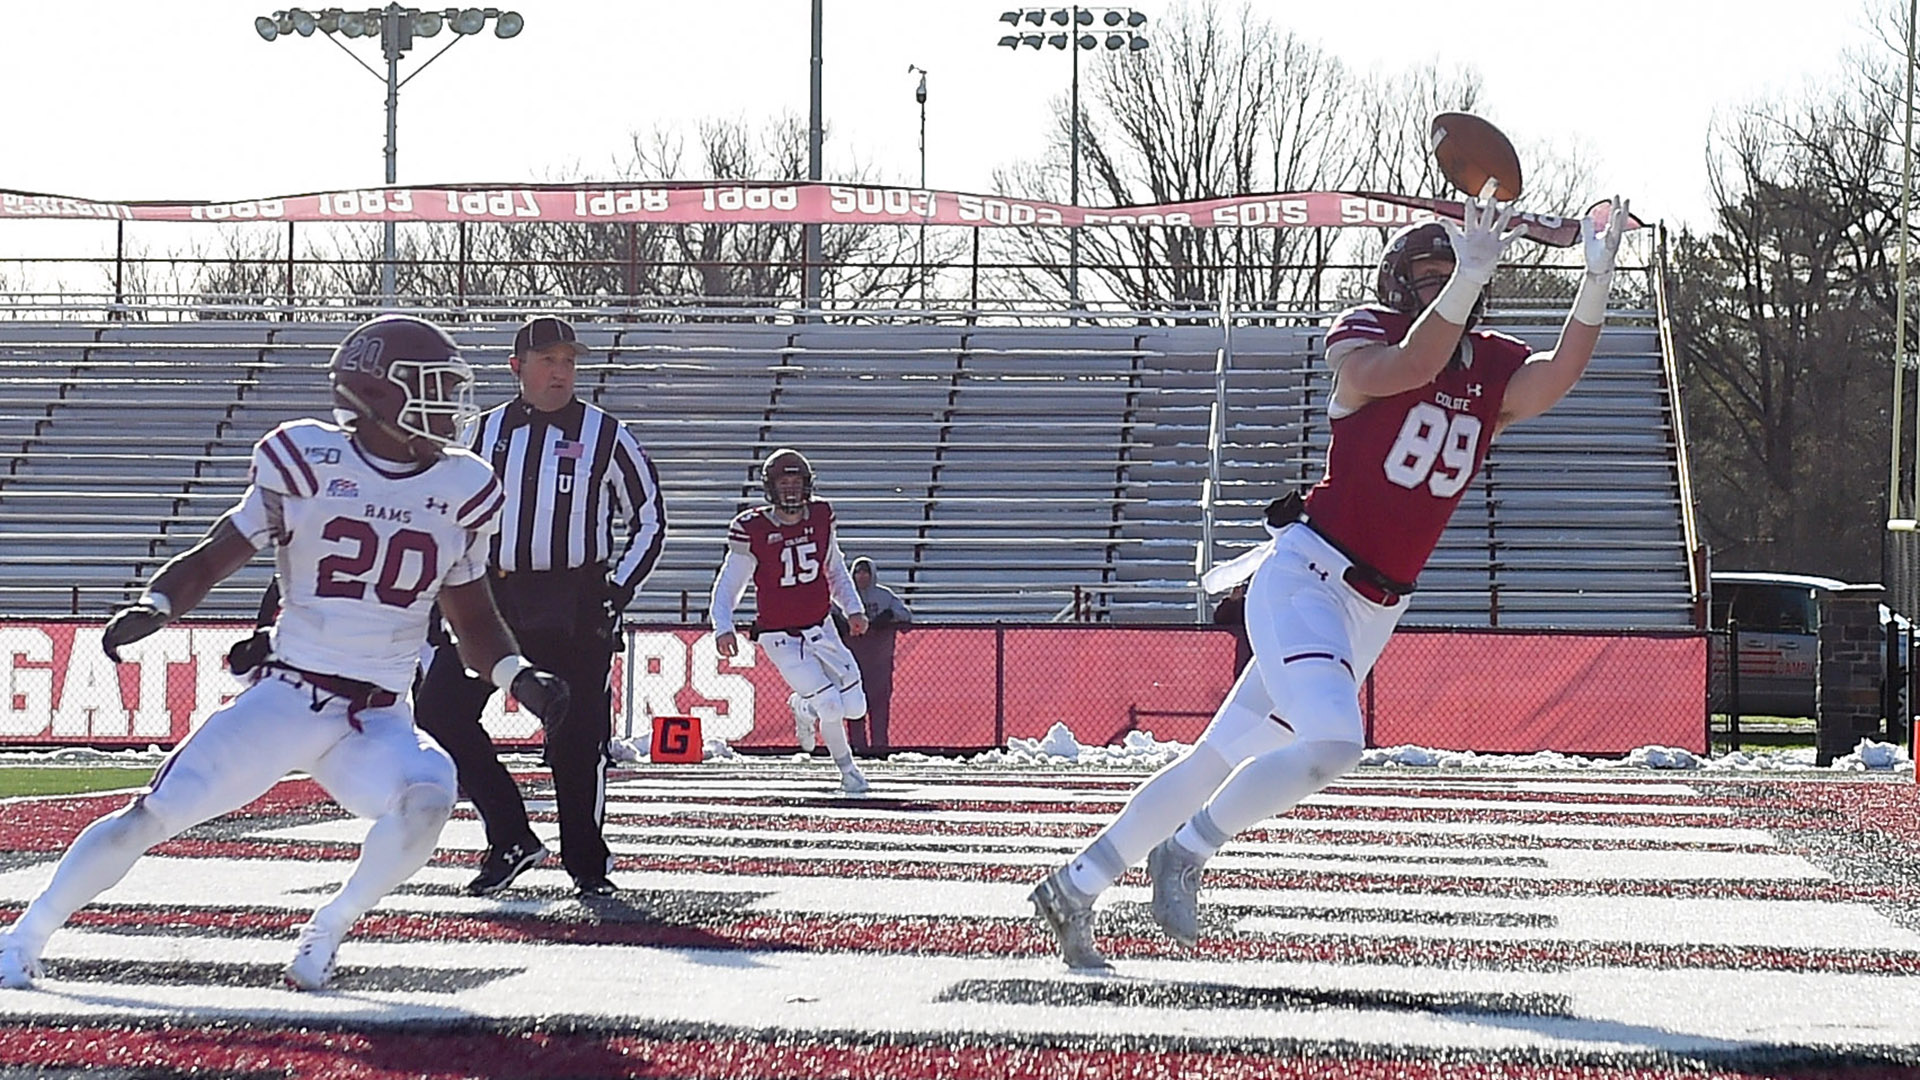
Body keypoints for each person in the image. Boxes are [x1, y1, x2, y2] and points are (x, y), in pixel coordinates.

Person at [1029, 184, 1633, 969]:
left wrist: (1595, 283)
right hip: (1309, 581)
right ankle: (1188, 849)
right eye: (1427, 276)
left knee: (1214, 761)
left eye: (1451, 273)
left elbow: (1555, 378)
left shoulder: (1490, 366)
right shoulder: (1364, 339)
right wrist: (1465, 279)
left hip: (1372, 608)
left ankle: (1073, 886)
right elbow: (1412, 361)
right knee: (1337, 741)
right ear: (1396, 287)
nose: (1441, 284)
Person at [0, 314, 570, 991]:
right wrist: (158, 604)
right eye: (434, 387)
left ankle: (326, 930)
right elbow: (219, 552)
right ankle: (24, 937)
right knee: (153, 815)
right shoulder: (307, 459)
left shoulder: (465, 487)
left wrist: (515, 674)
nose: (451, 405)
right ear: (379, 394)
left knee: (428, 800)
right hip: (288, 697)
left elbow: (472, 614)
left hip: (380, 716)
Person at [413, 315, 666, 899]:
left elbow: (649, 515)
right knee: (440, 713)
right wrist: (440, 591)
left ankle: (587, 865)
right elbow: (440, 510)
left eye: (569, 361)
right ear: (517, 367)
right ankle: (509, 833)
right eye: (548, 360)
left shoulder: (608, 434)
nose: (560, 372)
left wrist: (616, 588)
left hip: (576, 600)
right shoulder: (480, 433)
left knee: (576, 740)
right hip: (491, 598)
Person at [710, 449, 872, 793]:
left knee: (855, 707)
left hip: (822, 626)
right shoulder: (751, 528)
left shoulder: (821, 517)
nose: (791, 489)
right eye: (784, 482)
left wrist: (852, 607)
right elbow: (729, 584)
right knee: (830, 704)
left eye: (796, 481)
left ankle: (803, 704)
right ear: (770, 487)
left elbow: (835, 568)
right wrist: (723, 625)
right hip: (779, 635)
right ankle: (848, 772)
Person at [844, 556, 911, 750]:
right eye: (858, 571)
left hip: (879, 663)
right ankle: (857, 746)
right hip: (851, 662)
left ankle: (880, 746)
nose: (862, 576)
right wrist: (837, 621)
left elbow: (906, 616)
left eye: (865, 571)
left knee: (880, 705)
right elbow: (825, 615)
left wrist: (890, 615)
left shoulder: (885, 596)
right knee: (854, 705)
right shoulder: (844, 597)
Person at [1211, 581, 1252, 677]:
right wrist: (1233, 601)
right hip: (1240, 652)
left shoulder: (1256, 603)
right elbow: (1220, 620)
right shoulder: (1233, 605)